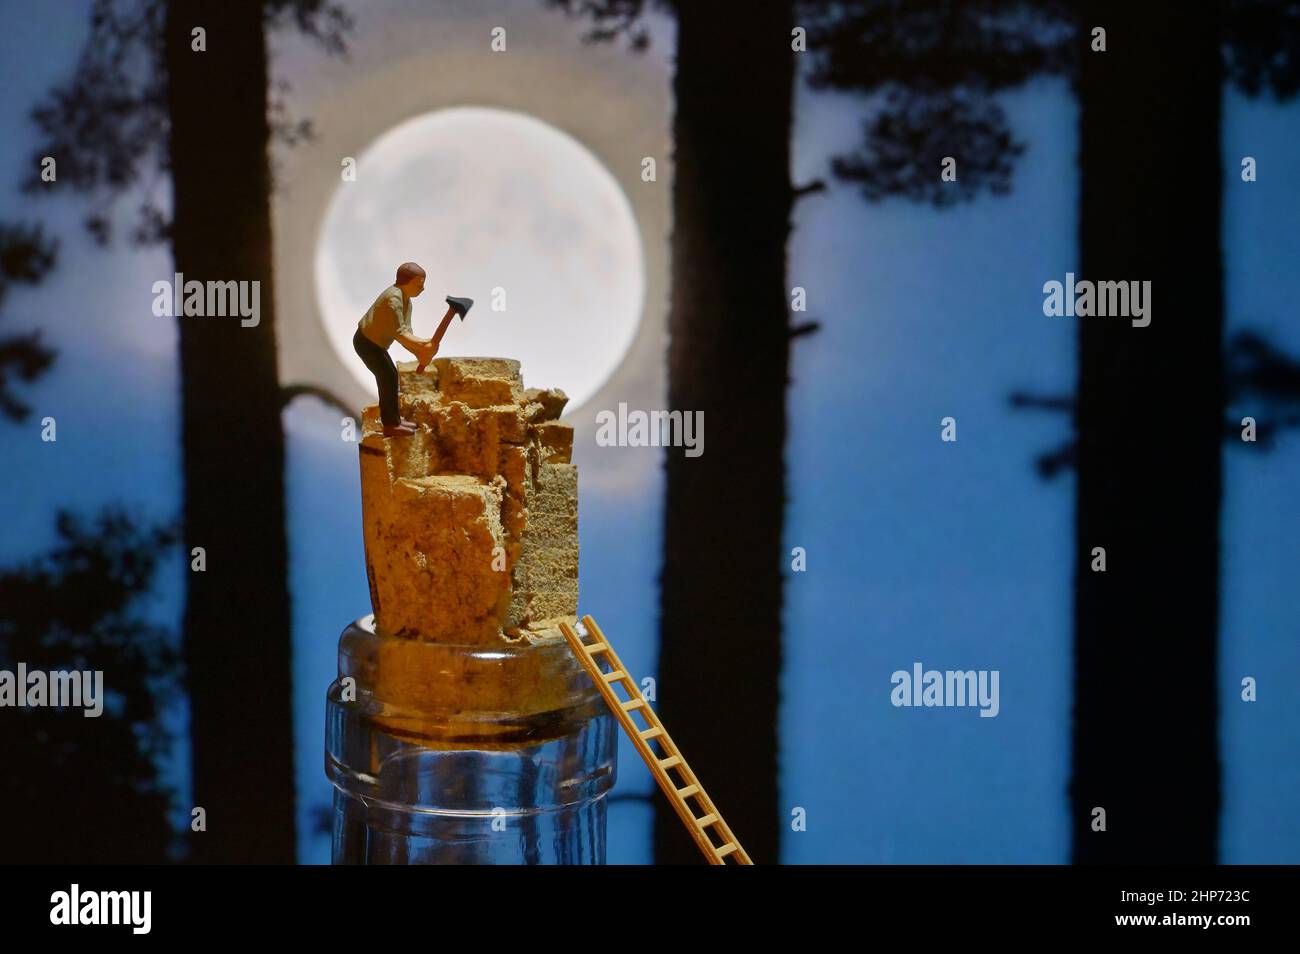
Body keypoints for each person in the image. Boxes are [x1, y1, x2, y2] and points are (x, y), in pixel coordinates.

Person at [352, 262, 438, 438]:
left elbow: (407, 335)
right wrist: (424, 345)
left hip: (377, 345)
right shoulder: (393, 300)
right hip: (367, 343)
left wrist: (420, 352)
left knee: (390, 377)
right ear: (407, 281)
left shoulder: (407, 302)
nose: (423, 288)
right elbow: (401, 335)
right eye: (419, 284)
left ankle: (394, 421)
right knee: (387, 377)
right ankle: (390, 425)